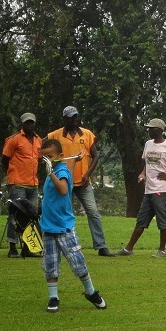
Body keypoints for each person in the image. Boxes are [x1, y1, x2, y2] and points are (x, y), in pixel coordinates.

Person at [39, 138, 107, 313]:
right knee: (51, 264)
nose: (46, 159)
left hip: (64, 227)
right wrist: (75, 161)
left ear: (59, 156)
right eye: (44, 157)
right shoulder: (60, 168)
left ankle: (91, 291)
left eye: (50, 156)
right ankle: (53, 297)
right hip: (48, 227)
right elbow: (68, 170)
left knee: (77, 262)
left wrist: (50, 172)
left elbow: (63, 189)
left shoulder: (59, 172)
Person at [47, 106, 116, 257]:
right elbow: (42, 149)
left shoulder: (87, 134)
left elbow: (95, 156)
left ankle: (101, 246)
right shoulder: (55, 135)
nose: (74, 120)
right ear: (64, 119)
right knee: (62, 213)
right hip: (65, 181)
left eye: (76, 117)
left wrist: (87, 174)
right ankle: (62, 245)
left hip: (84, 183)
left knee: (93, 212)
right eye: (71, 117)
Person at [117, 118, 166, 258]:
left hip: (162, 189)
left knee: (162, 220)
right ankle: (128, 249)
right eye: (149, 128)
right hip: (149, 189)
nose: (149, 130)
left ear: (160, 130)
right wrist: (142, 174)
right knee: (141, 219)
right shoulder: (148, 144)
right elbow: (147, 164)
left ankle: (161, 250)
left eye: (152, 128)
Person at [2, 113, 43, 258]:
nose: (29, 125)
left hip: (33, 184)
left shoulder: (38, 140)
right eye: (27, 123)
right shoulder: (14, 140)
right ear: (22, 124)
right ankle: (12, 247)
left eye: (32, 123)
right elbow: (5, 159)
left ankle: (28, 248)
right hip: (17, 183)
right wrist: (13, 173)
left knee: (32, 216)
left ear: (35, 124)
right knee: (16, 214)